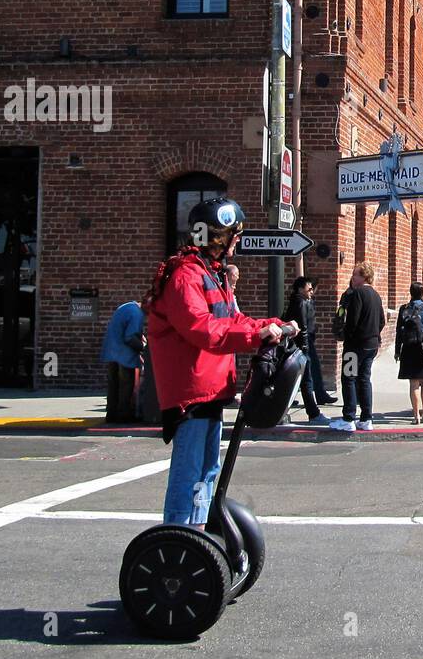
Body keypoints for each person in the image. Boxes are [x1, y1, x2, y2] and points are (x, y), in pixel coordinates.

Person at [145, 197, 292, 527]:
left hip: (211, 391)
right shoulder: (184, 277)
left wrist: (273, 326)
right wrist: (257, 336)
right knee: (190, 472)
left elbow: (233, 320)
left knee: (207, 470)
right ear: (217, 237)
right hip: (191, 395)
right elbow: (203, 329)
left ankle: (196, 531)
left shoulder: (212, 276)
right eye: (233, 236)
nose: (236, 243)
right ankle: (179, 533)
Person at [331, 262, 385, 432]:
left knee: (349, 378)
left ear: (364, 277)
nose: (353, 277)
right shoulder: (376, 295)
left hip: (355, 346)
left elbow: (352, 320)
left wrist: (347, 335)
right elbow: (382, 321)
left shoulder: (357, 294)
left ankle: (348, 418)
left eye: (356, 274)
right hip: (371, 345)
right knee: (364, 379)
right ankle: (366, 418)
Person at [286, 277, 338, 406]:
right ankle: (313, 404)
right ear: (300, 289)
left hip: (305, 339)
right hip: (304, 341)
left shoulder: (302, 301)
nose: (312, 291)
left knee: (308, 373)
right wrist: (305, 345)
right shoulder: (301, 302)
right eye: (309, 288)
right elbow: (303, 325)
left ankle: (318, 396)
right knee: (307, 374)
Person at [394, 281, 423, 425]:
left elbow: (398, 332)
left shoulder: (403, 309)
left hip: (407, 348)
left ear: (410, 293)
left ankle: (415, 416)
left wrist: (397, 351)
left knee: (413, 384)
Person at [101, 299, 146, 422]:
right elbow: (130, 337)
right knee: (126, 385)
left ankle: (111, 414)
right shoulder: (137, 314)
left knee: (113, 385)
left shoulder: (125, 307)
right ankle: (123, 415)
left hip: (111, 351)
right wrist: (144, 348)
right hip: (125, 355)